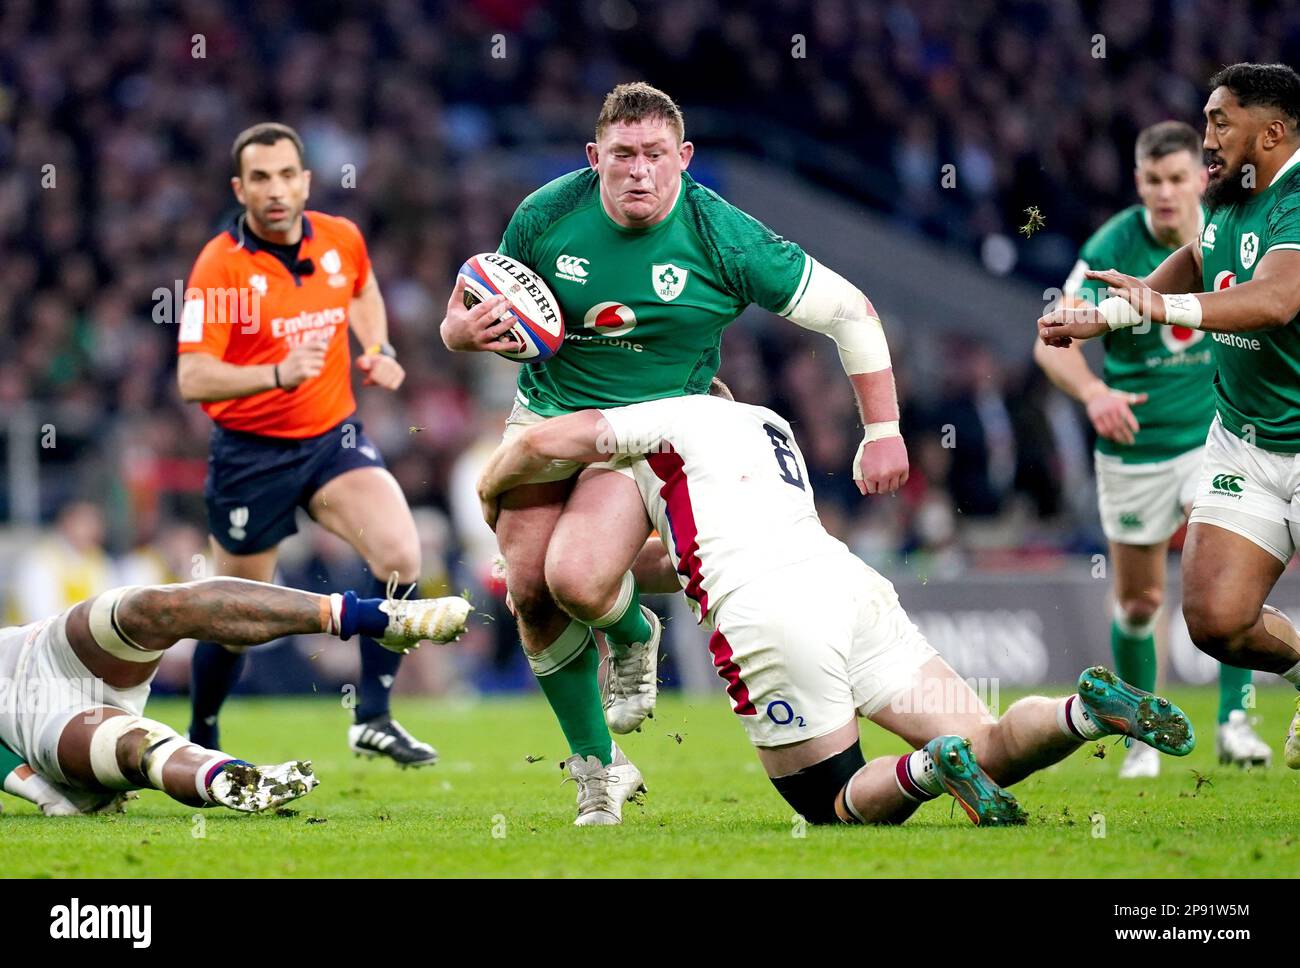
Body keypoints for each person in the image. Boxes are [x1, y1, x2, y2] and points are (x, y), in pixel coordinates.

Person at [440, 82, 908, 824]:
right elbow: (469, 311)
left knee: (577, 580)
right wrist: (460, 334)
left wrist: (882, 430)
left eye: (656, 154)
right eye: (621, 154)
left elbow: (852, 313)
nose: (638, 171)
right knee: (525, 587)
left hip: (652, 430)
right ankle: (600, 769)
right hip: (544, 415)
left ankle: (630, 628)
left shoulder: (723, 235)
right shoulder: (545, 214)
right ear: (594, 157)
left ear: (684, 158)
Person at [474, 384, 1195, 826]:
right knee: (992, 748)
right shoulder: (770, 427)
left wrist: (490, 492)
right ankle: (1086, 713)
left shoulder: (665, 420)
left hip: (769, 616)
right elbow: (681, 561)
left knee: (832, 800)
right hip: (848, 585)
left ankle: (923, 770)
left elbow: (544, 440)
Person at [1038, 62, 1300, 767]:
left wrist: (1163, 308)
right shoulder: (1228, 193)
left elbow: (1278, 300)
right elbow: (1197, 254)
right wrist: (1108, 316)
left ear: (1272, 133)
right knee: (1215, 620)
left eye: (1221, 122)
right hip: (1242, 440)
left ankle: (1237, 727)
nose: (1207, 137)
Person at [177, 122, 438, 766]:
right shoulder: (220, 265)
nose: (275, 190)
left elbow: (363, 290)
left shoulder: (341, 239)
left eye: (287, 175)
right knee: (231, 619)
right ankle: (203, 735)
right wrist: (276, 373)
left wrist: (376, 348)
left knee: (402, 553)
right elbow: (192, 376)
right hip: (249, 452)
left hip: (331, 437)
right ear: (240, 188)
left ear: (306, 180)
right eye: (260, 178)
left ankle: (373, 716)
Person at [0, 578, 470, 814]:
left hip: (46, 646)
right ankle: (234, 780)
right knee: (134, 746)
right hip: (38, 720)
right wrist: (39, 789)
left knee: (148, 608)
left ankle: (378, 617)